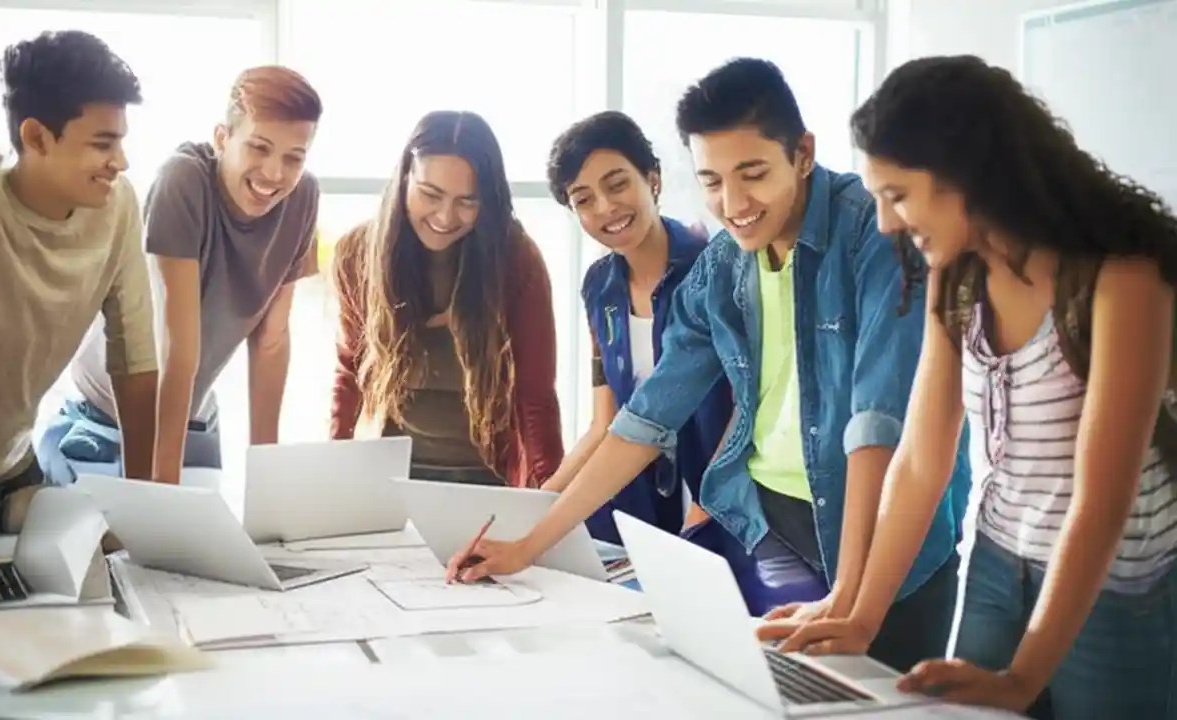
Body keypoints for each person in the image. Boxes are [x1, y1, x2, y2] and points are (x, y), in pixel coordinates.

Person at [447, 58, 971, 673]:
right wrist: (530, 545)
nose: (733, 203)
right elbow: (647, 416)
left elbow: (875, 427)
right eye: (713, 181)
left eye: (752, 174)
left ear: (802, 153)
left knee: (880, 701)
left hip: (885, 538)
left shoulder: (874, 237)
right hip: (771, 524)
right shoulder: (723, 264)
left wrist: (850, 594)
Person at [758, 55, 1177, 719]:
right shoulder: (956, 279)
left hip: (1116, 584)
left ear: (967, 175)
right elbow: (921, 462)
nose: (888, 222)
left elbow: (1101, 501)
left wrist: (1022, 676)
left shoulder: (1122, 278)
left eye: (898, 194)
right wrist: (861, 615)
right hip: (996, 562)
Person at [0, 30, 156, 530]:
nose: (119, 162)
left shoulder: (118, 206)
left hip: (12, 469)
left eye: (120, 141)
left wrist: (139, 511)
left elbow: (135, 360)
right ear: (36, 136)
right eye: (102, 144)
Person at [39, 66, 322, 485]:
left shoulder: (303, 198)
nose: (274, 173)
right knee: (130, 541)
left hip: (192, 414)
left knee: (211, 541)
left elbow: (272, 341)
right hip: (107, 415)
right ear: (223, 138)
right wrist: (164, 487)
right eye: (259, 148)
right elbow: (176, 347)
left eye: (293, 157)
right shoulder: (183, 180)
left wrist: (269, 483)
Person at [331, 111, 563, 488]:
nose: (445, 216)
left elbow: (534, 397)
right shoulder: (357, 253)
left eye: (466, 202)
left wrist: (550, 503)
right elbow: (350, 371)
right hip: (387, 477)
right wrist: (334, 470)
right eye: (430, 194)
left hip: (486, 478)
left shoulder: (517, 260)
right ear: (405, 175)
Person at [542, 110, 732, 544]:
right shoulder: (598, 287)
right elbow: (603, 425)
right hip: (637, 502)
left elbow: (746, 413)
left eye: (617, 184)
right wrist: (537, 504)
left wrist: (706, 513)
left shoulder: (715, 267)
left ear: (653, 179)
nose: (606, 208)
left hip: (717, 498)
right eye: (583, 199)